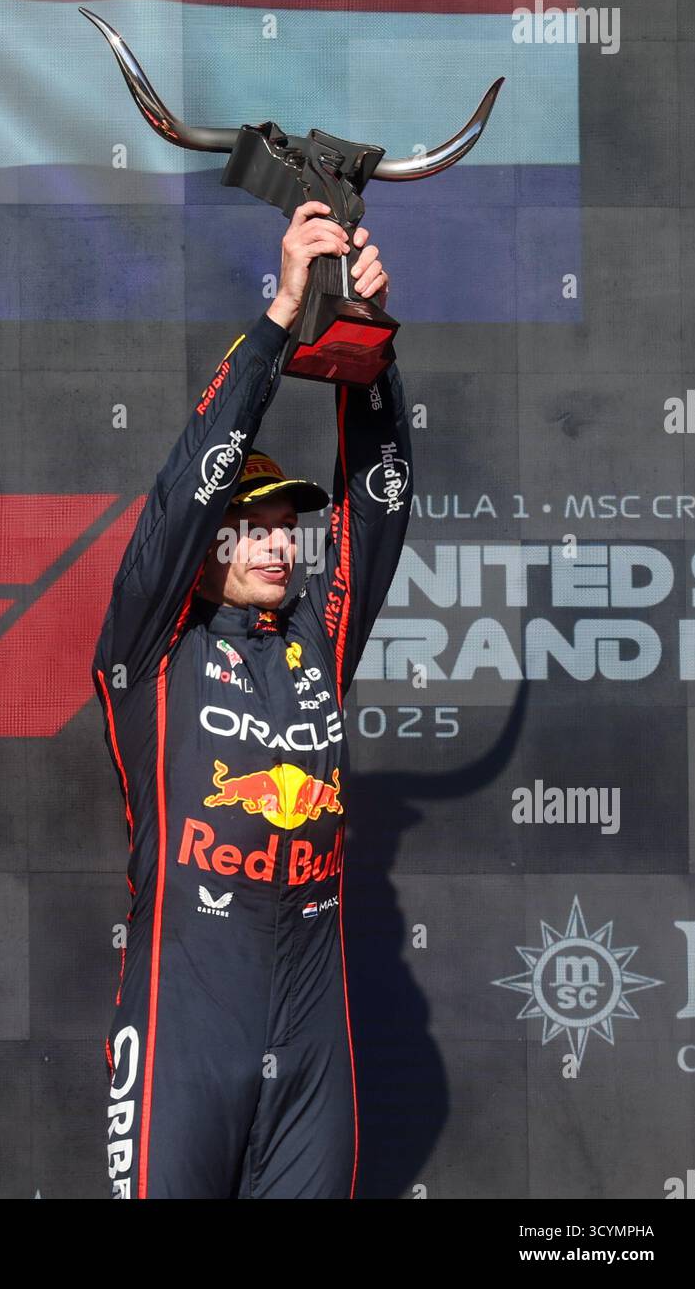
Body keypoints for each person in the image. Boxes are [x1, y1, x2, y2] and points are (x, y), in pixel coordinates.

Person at [92, 201, 412, 1199]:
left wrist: (365, 346)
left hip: (312, 1043)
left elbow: (379, 504)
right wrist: (280, 315)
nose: (278, 544)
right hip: (185, 1036)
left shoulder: (317, 635)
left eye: (285, 527)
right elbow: (181, 498)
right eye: (251, 526)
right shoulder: (150, 644)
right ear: (206, 551)